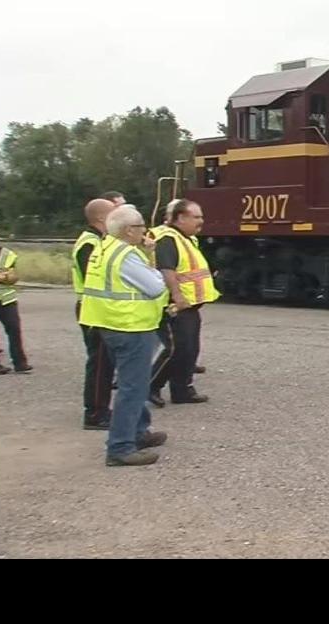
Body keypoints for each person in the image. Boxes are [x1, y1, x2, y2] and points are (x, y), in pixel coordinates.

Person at [78, 205, 169, 466]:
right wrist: (152, 264)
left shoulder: (106, 247)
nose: (145, 231)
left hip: (109, 323)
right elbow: (154, 287)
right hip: (130, 326)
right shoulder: (126, 255)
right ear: (129, 231)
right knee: (133, 387)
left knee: (133, 383)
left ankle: (138, 432)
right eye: (141, 226)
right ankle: (120, 447)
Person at [149, 200, 218, 405]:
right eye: (196, 217)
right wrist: (178, 297)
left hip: (190, 305)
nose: (201, 221)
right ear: (180, 218)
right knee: (177, 349)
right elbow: (167, 270)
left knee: (190, 349)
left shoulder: (185, 238)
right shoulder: (167, 239)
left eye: (201, 217)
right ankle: (150, 386)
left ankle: (182, 390)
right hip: (175, 305)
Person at [74, 199, 118, 428]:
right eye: (113, 213)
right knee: (99, 363)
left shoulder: (98, 241)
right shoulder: (89, 244)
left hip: (99, 308)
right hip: (94, 310)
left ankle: (101, 409)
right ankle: (94, 413)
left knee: (105, 362)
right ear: (101, 218)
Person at [0, 222, 31, 374]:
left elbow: (13, 276)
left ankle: (20, 362)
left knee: (14, 330)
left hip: (8, 298)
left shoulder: (7, 254)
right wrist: (2, 276)